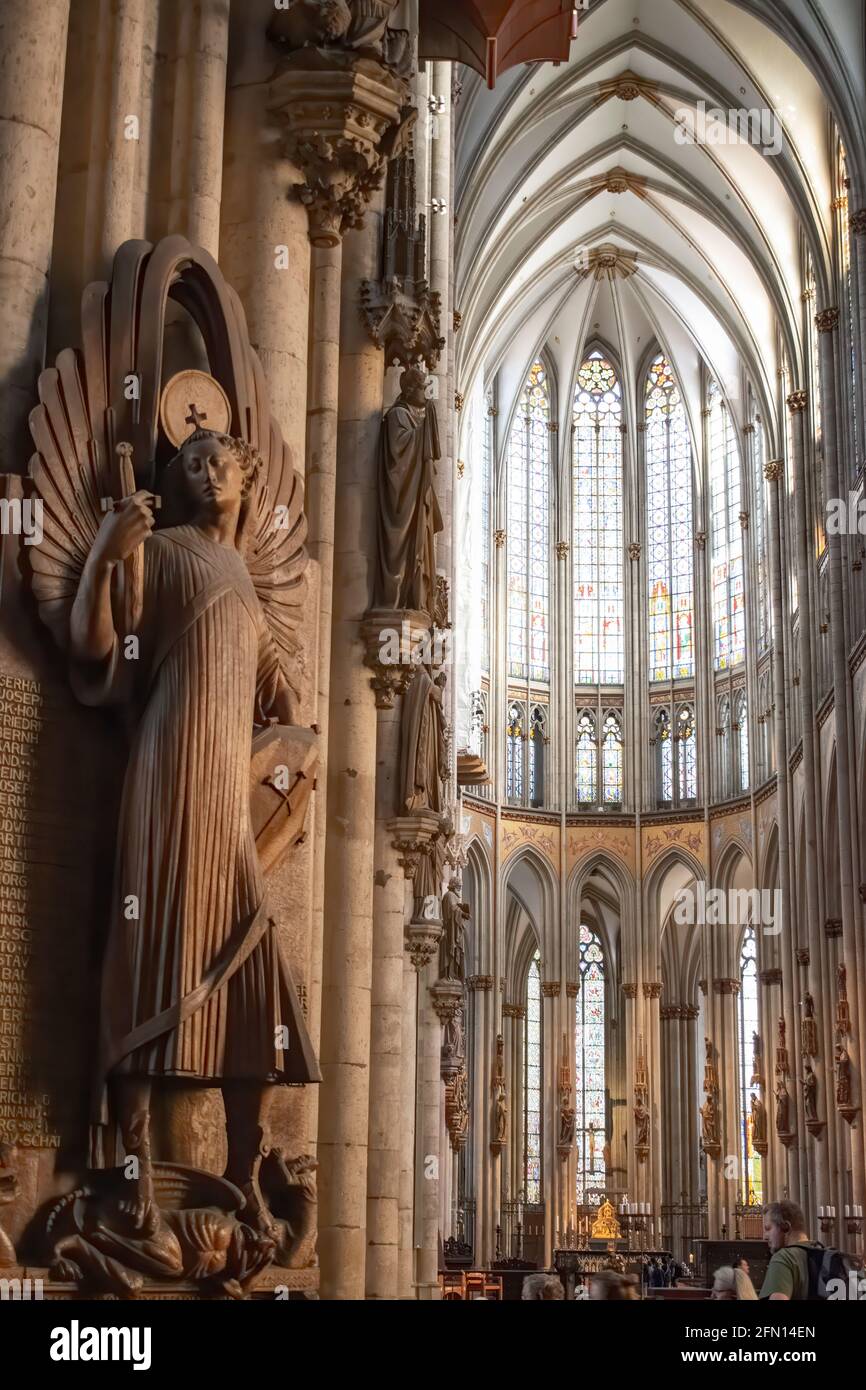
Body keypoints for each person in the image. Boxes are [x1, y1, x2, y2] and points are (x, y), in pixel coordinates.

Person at [759, 1200, 825, 1300]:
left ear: (785, 1227)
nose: (765, 1236)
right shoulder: (823, 1253)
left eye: (768, 1228)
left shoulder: (784, 1258)